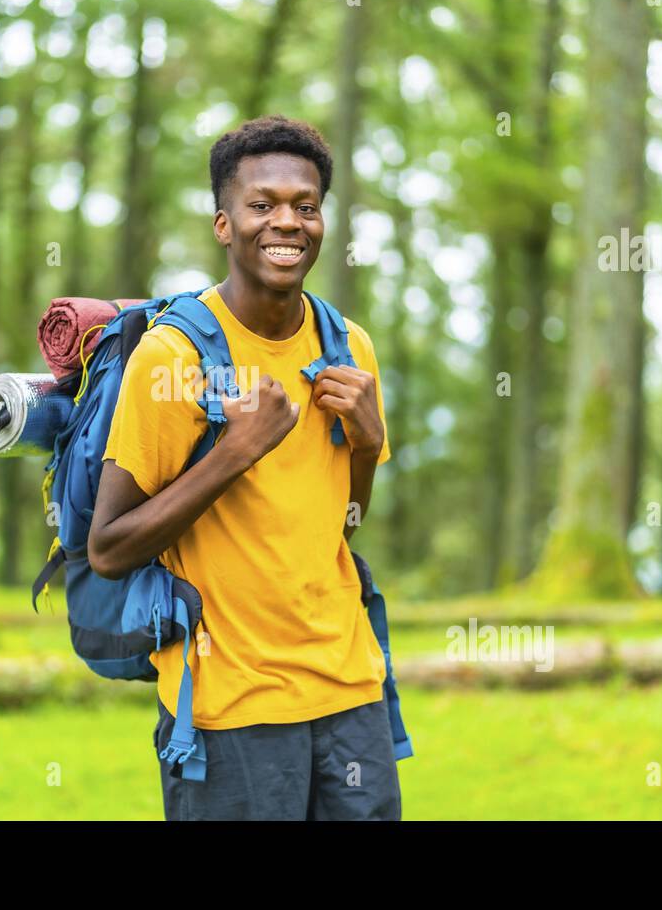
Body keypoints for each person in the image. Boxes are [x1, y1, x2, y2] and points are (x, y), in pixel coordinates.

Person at [87, 115, 401, 820]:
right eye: (263, 205)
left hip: (351, 689)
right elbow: (108, 548)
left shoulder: (348, 345)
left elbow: (338, 526)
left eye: (306, 206)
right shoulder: (173, 359)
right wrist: (234, 453)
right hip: (232, 704)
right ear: (224, 224)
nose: (286, 222)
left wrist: (370, 446)